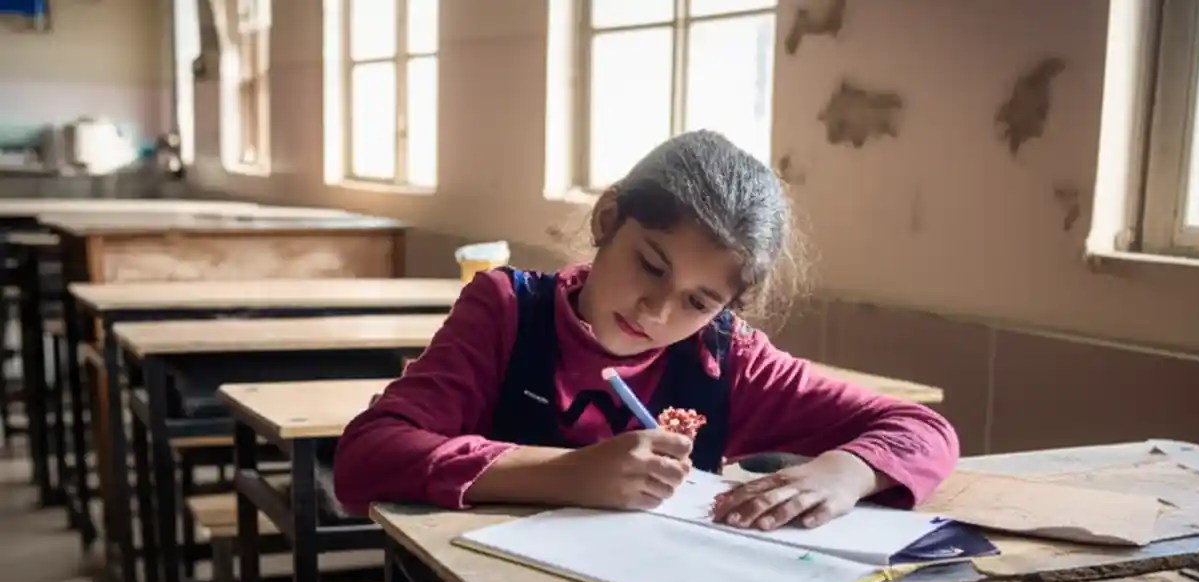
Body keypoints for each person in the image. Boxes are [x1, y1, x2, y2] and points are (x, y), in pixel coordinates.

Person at [333, 130, 958, 531]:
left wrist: (847, 472)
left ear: (728, 308)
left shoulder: (725, 358)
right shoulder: (507, 312)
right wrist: (564, 475)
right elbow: (366, 457)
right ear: (608, 220)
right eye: (651, 266)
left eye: (698, 301)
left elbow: (921, 429)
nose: (657, 311)